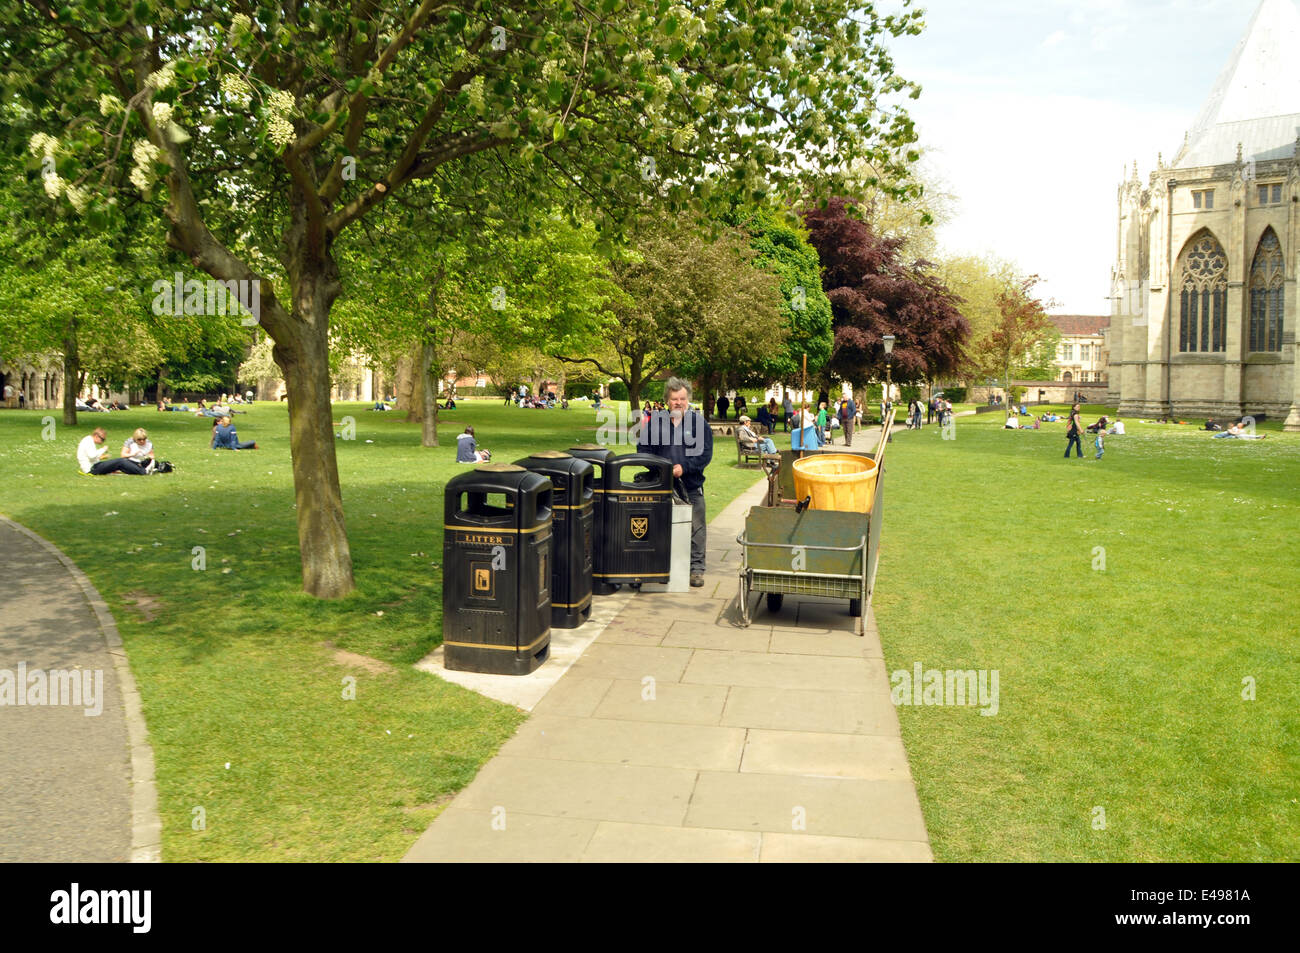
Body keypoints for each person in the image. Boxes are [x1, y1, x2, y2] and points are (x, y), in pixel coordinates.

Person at [638, 377, 712, 588]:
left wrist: (684, 468)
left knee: (696, 529)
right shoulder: (656, 423)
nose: (678, 402)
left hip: (691, 485)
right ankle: (661, 567)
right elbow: (643, 451)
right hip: (661, 486)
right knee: (659, 528)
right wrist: (662, 467)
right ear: (667, 401)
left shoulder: (699, 424)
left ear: (688, 399)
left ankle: (696, 569)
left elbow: (705, 454)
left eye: (682, 398)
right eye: (673, 399)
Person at [77, 427, 147, 475]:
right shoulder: (88, 441)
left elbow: (91, 457)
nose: (102, 442)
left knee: (120, 465)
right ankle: (143, 471)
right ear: (96, 436)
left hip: (95, 466)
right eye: (102, 439)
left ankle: (141, 469)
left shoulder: (88, 440)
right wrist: (103, 449)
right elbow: (92, 456)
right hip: (92, 469)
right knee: (121, 461)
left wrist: (103, 457)